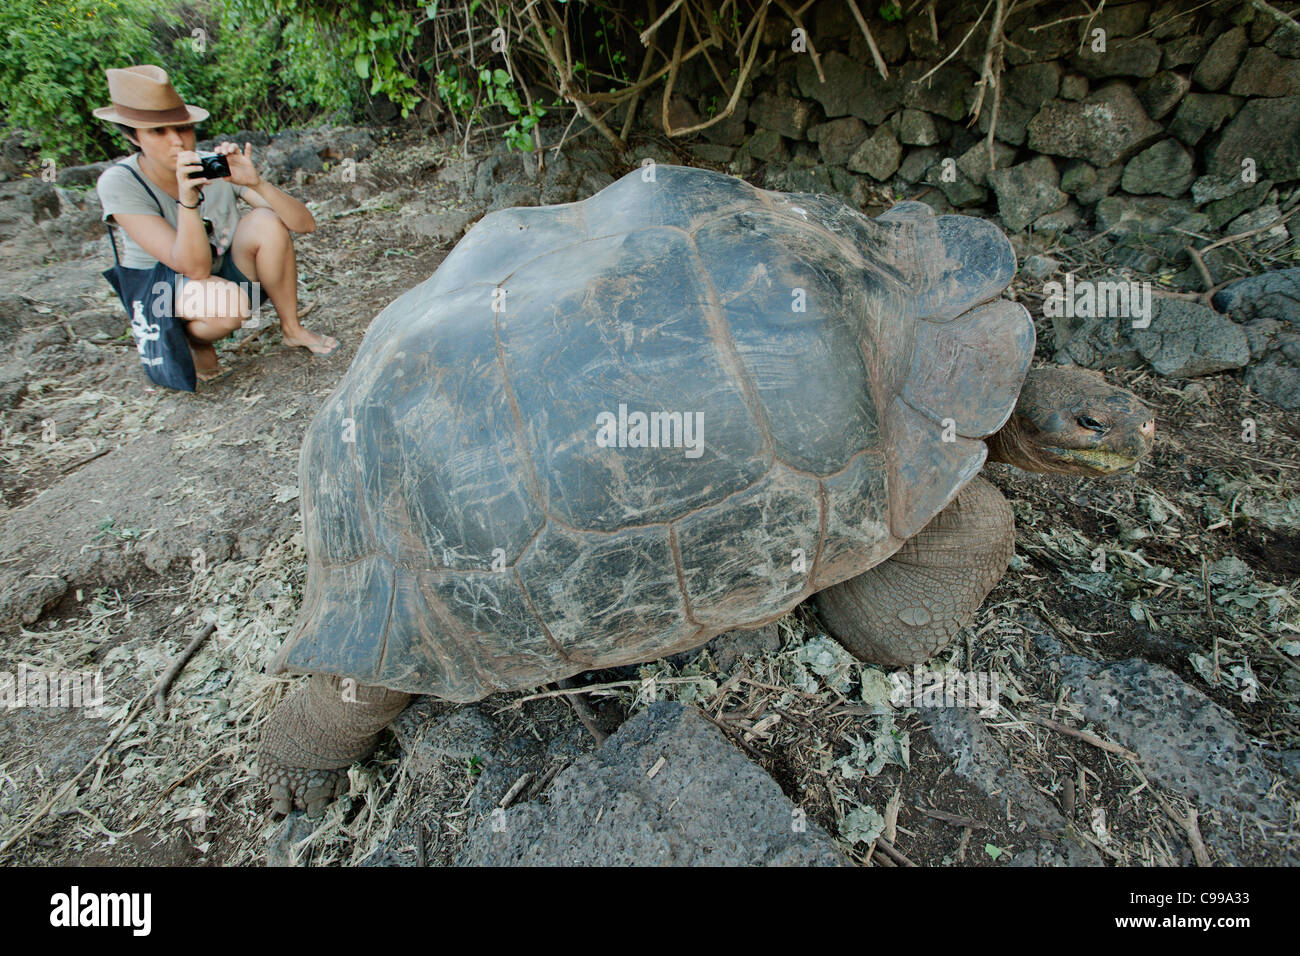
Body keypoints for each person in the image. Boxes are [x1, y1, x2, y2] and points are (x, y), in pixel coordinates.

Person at [94, 65, 338, 382]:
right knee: (228, 303)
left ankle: (292, 329)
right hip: (164, 291)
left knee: (266, 221)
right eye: (158, 132)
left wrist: (256, 183)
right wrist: (188, 199)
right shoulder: (119, 183)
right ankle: (194, 340)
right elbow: (192, 269)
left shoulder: (211, 164)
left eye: (182, 128)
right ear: (132, 136)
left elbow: (305, 224)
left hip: (219, 273)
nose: (177, 142)